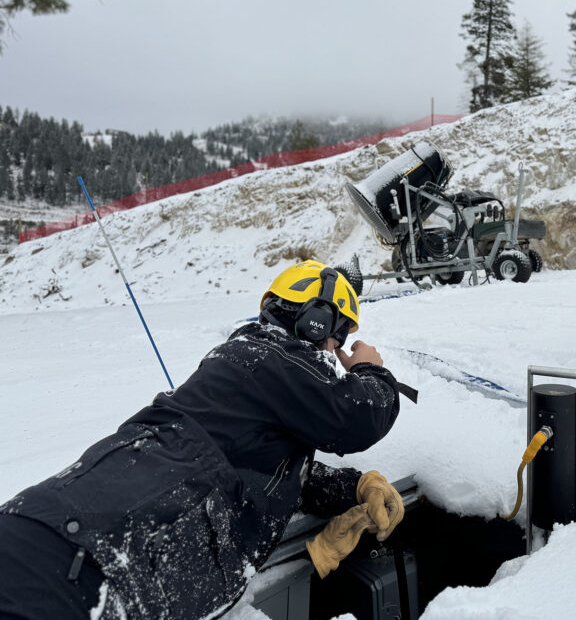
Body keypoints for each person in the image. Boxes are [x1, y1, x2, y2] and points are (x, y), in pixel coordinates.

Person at [0, 259, 406, 619]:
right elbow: (360, 416)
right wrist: (370, 370)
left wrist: (351, 486)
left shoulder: (247, 360)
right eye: (335, 339)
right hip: (87, 560)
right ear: (314, 321)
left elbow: (250, 463)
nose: (333, 354)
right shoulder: (270, 358)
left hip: (70, 535)